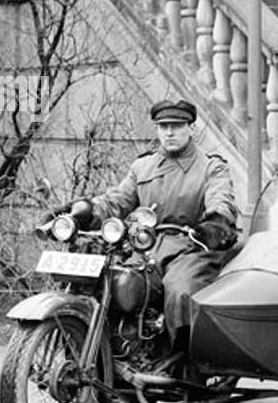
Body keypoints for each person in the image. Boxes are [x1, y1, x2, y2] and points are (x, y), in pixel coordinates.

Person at [66, 99, 239, 350]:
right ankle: (110, 354)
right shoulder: (143, 166)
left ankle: (185, 365)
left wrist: (214, 224)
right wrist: (82, 211)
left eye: (177, 126)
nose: (169, 132)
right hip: (146, 245)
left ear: (191, 128)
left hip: (192, 248)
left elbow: (221, 200)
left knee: (180, 292)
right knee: (115, 283)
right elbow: (116, 201)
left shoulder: (211, 167)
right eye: (163, 126)